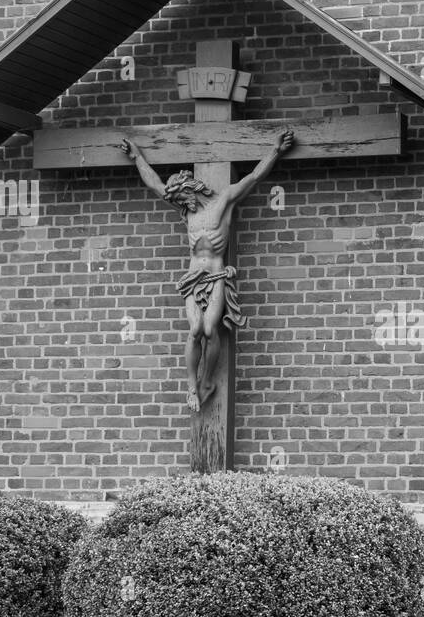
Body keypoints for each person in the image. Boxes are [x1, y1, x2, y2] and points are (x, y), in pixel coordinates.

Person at [121, 129, 295, 410]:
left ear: (190, 189)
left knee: (210, 329)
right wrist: (137, 157)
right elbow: (155, 184)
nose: (178, 202)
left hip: (215, 275)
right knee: (195, 330)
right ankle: (192, 385)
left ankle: (207, 380)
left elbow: (253, 177)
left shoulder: (223, 202)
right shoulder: (188, 211)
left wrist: (275, 149)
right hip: (193, 278)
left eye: (180, 196)